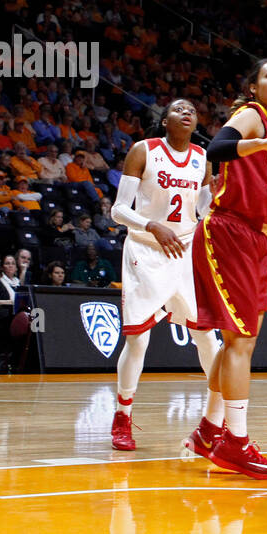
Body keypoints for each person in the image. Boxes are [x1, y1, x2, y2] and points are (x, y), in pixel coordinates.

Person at [186, 58, 267, 478]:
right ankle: (234, 442)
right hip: (227, 230)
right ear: (253, 87)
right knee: (240, 341)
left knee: (241, 343)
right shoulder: (252, 117)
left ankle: (208, 432)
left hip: (253, 236)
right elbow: (215, 149)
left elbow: (256, 187)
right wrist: (262, 144)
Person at [108, 99, 221, 451]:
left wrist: (216, 198)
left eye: (192, 110)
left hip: (185, 252)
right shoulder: (144, 151)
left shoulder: (203, 158)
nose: (187, 112)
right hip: (146, 250)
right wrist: (153, 226)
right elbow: (118, 211)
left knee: (207, 336)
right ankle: (122, 417)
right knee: (138, 340)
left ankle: (214, 423)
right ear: (165, 120)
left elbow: (201, 209)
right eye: (178, 109)